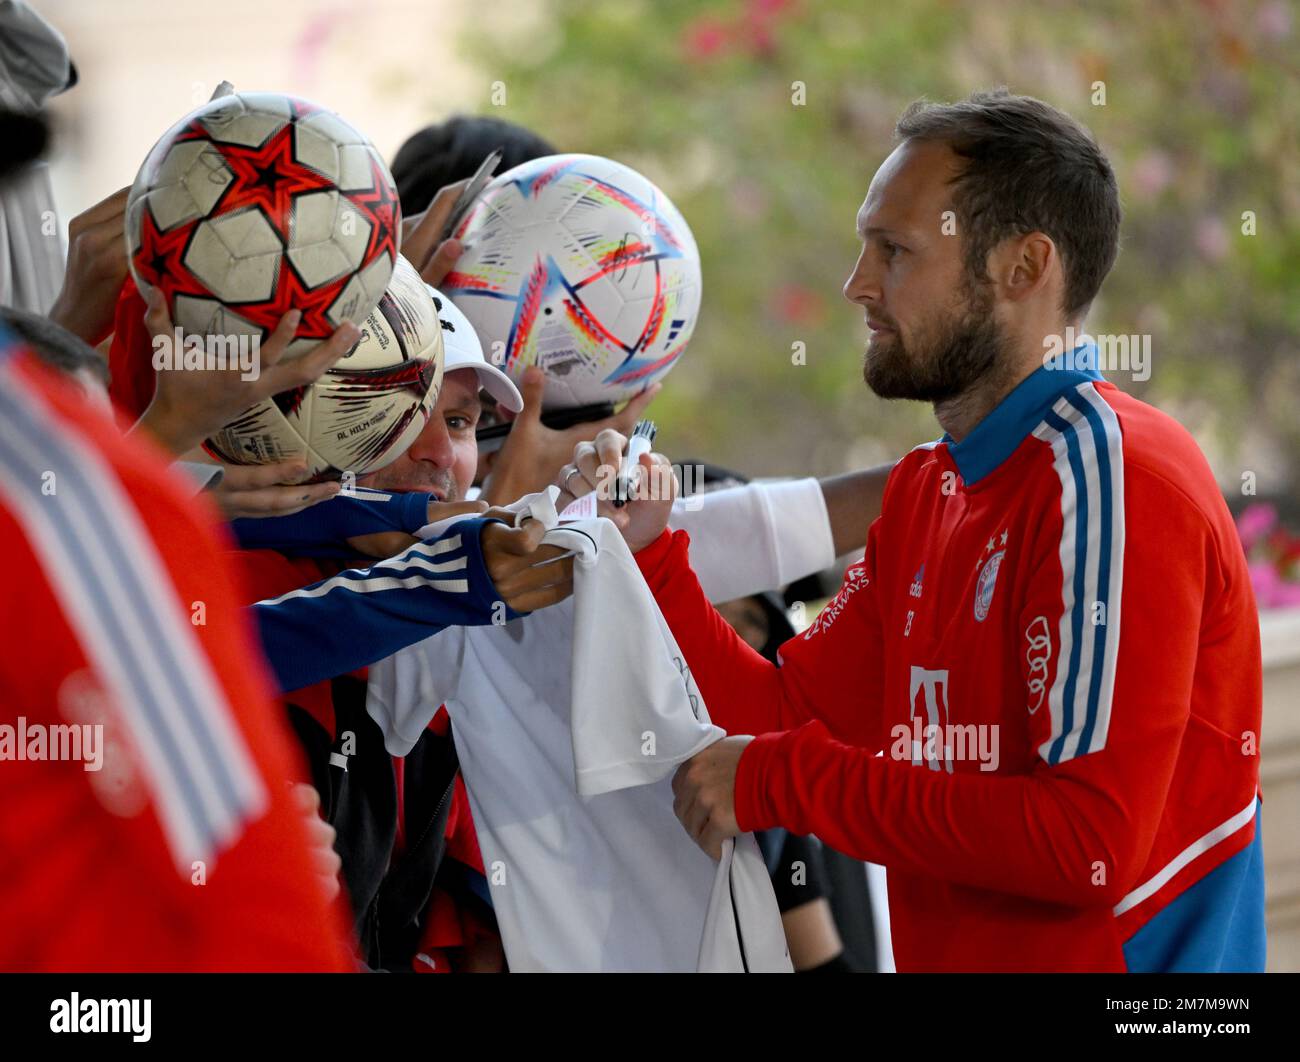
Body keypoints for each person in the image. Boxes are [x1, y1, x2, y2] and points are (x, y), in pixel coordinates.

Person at [571, 89, 1266, 973]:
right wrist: (653, 554)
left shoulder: (1116, 475)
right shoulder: (927, 490)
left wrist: (784, 778)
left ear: (1023, 267)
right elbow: (784, 715)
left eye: (893, 251)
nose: (856, 283)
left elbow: (1087, 842)